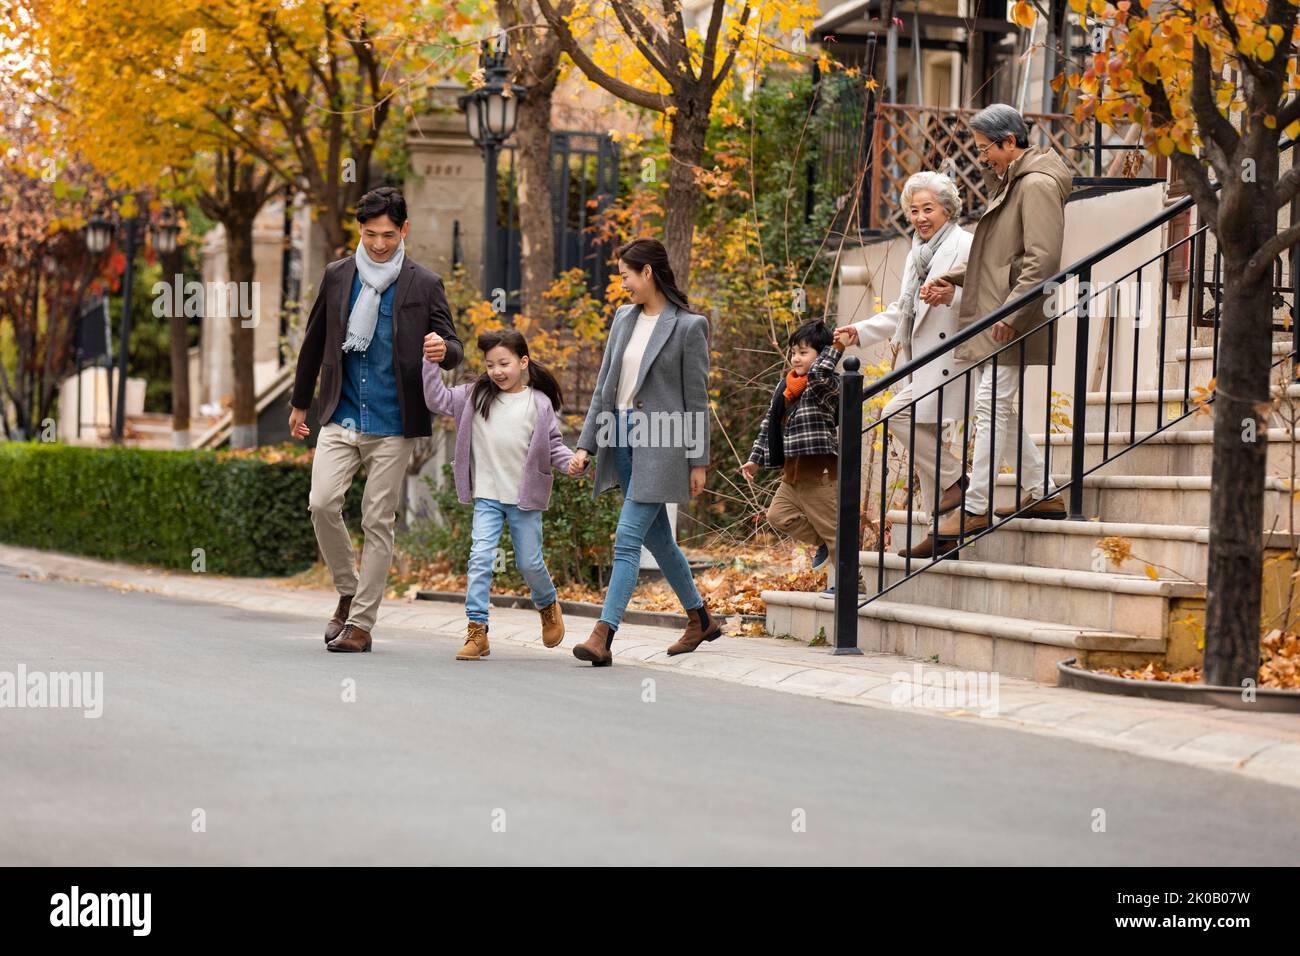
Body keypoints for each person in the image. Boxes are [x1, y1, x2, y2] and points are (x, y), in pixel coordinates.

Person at [289, 186, 464, 653]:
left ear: (403, 230)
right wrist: (300, 402)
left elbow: (454, 346)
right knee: (322, 503)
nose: (380, 244)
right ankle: (349, 589)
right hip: (340, 414)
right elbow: (313, 342)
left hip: (392, 421)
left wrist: (443, 350)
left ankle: (362, 624)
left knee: (377, 520)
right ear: (359, 231)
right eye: (371, 235)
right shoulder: (337, 276)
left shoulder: (423, 283)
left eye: (388, 235)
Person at [919, 104, 1072, 541]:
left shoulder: (1037, 185)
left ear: (1010, 142)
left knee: (989, 404)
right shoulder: (1014, 183)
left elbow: (1041, 259)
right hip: (1001, 313)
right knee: (996, 406)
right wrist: (953, 277)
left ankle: (976, 506)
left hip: (1013, 316)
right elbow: (1000, 257)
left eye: (987, 148)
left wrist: (1013, 311)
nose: (981, 157)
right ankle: (1042, 490)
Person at [566, 238, 716, 666]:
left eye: (626, 276)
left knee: (627, 539)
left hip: (663, 443)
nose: (623, 284)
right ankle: (700, 618)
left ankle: (603, 635)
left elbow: (697, 399)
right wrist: (585, 445)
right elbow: (604, 386)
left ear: (647, 272)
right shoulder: (623, 318)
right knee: (661, 542)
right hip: (622, 438)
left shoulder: (689, 326)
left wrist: (698, 460)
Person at [833, 170, 974, 559]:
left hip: (954, 357)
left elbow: (984, 297)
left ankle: (957, 481)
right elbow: (902, 310)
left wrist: (952, 299)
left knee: (896, 413)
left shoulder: (965, 245)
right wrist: (858, 331)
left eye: (928, 208)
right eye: (914, 210)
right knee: (923, 433)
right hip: (923, 360)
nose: (920, 217)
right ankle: (942, 531)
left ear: (948, 209)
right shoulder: (917, 252)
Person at [422, 328, 575, 660]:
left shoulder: (539, 403)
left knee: (529, 563)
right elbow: (436, 399)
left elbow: (554, 448)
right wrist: (431, 360)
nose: (497, 371)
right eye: (490, 365)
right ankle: (477, 630)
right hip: (487, 497)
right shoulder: (475, 395)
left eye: (503, 363)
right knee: (480, 559)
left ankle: (547, 603)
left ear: (523, 362)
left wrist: (572, 463)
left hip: (523, 499)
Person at [742, 321, 846, 593]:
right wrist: (756, 459)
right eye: (794, 352)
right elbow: (769, 424)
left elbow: (822, 372)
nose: (796, 358)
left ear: (821, 355)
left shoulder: (824, 385)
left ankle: (851, 587)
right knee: (778, 516)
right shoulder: (786, 388)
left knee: (835, 532)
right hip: (793, 473)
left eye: (804, 352)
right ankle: (821, 542)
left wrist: (838, 345)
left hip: (819, 472)